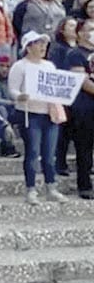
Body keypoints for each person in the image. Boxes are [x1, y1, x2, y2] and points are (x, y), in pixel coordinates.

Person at [7, 31, 69, 205]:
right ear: (28, 47)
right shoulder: (20, 66)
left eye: (44, 44)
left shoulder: (49, 66)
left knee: (49, 154)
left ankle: (51, 187)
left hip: (49, 113)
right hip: (30, 113)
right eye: (38, 43)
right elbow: (12, 89)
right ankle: (31, 189)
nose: (42, 47)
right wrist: (21, 96)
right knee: (33, 152)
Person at [64, 19, 94, 199]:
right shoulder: (75, 54)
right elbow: (81, 80)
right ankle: (84, 186)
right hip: (84, 107)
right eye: (90, 29)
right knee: (84, 148)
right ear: (80, 33)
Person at [49, 17, 78, 176]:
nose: (74, 28)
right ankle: (60, 162)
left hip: (81, 94)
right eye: (71, 26)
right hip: (64, 93)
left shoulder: (81, 48)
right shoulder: (58, 48)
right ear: (63, 29)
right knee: (64, 131)